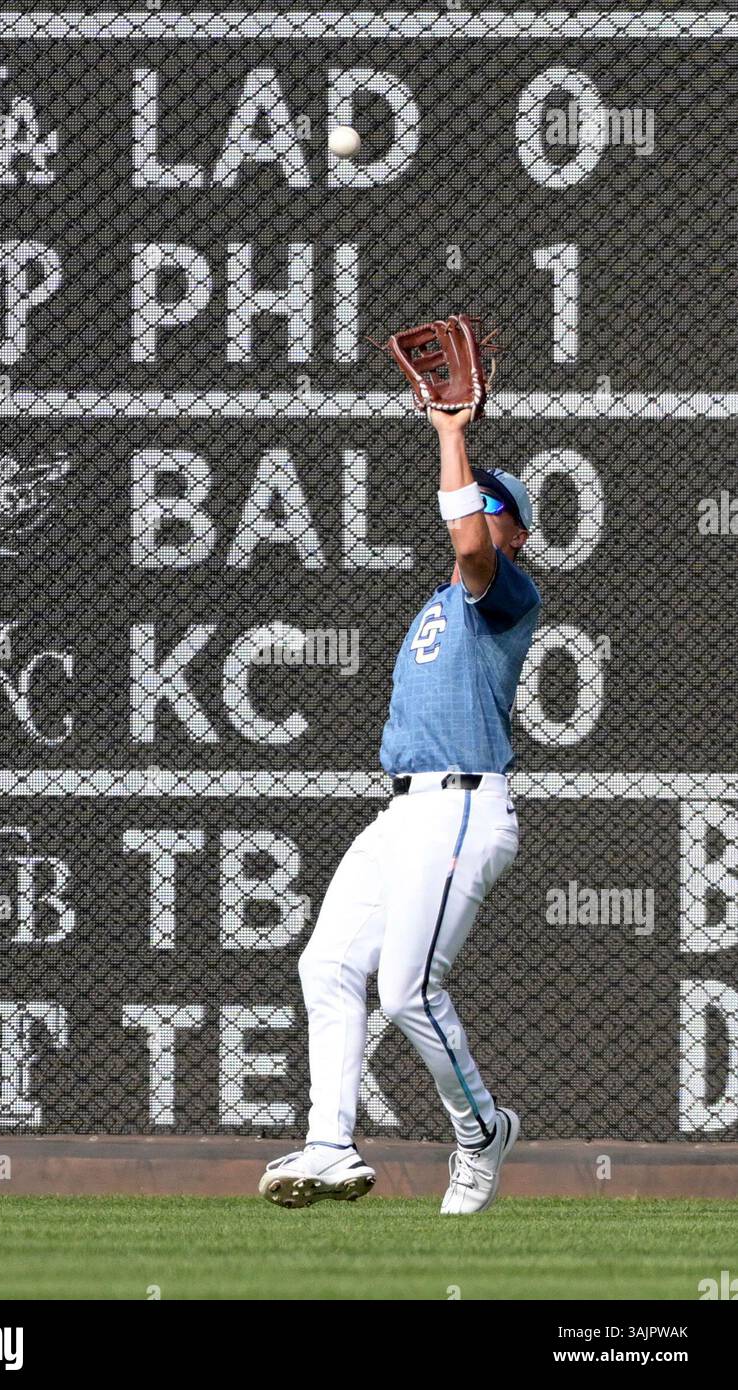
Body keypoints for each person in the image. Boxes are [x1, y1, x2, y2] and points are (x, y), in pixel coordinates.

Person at [258, 403, 542, 1214]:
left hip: (463, 804)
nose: (474, 508)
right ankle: (331, 1147)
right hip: (404, 813)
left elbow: (467, 542)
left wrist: (452, 434)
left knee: (408, 991)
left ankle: (482, 1131)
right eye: (470, 495)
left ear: (513, 534)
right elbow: (460, 541)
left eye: (491, 504)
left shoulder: (507, 591)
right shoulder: (437, 604)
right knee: (328, 964)